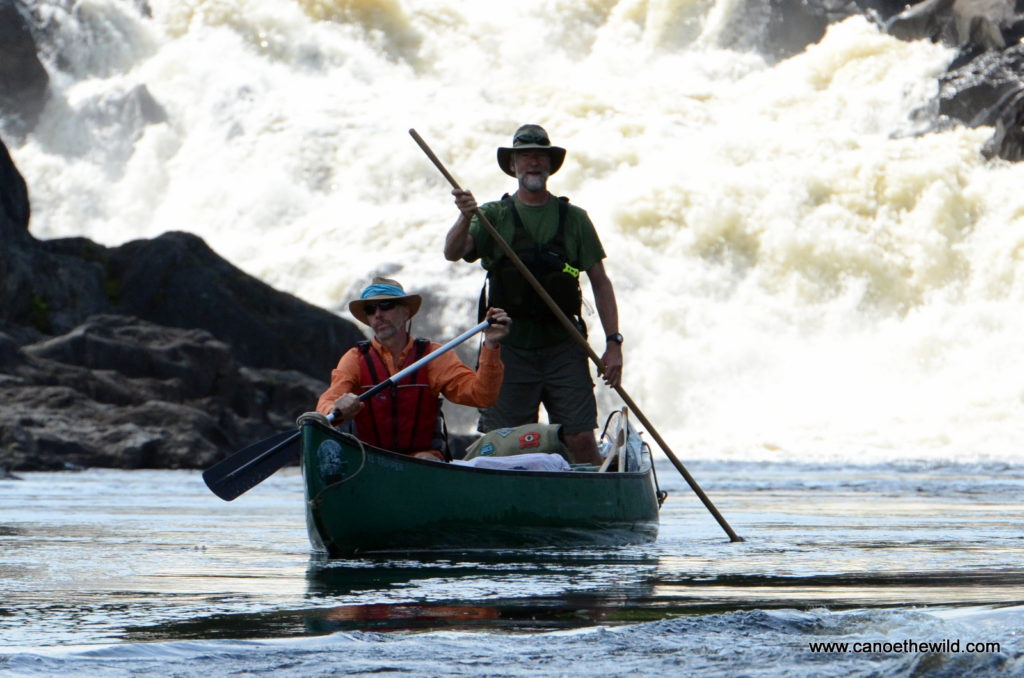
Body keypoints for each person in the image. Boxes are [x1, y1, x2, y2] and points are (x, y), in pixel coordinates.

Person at [443, 124, 622, 465]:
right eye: (525, 156)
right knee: (505, 443)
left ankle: (585, 505)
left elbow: (601, 282)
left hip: (564, 345)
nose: (533, 163)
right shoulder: (492, 216)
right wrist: (465, 217)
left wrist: (614, 343)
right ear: (513, 166)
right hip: (509, 349)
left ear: (550, 166)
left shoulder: (575, 220)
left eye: (540, 156)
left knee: (580, 437)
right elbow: (454, 251)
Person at [316, 276, 510, 461]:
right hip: (368, 459)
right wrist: (336, 408)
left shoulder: (433, 356)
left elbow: (482, 396)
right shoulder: (354, 358)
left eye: (386, 305)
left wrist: (491, 344)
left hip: (423, 457)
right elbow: (327, 404)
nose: (378, 315)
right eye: (370, 309)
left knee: (425, 458)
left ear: (406, 312)